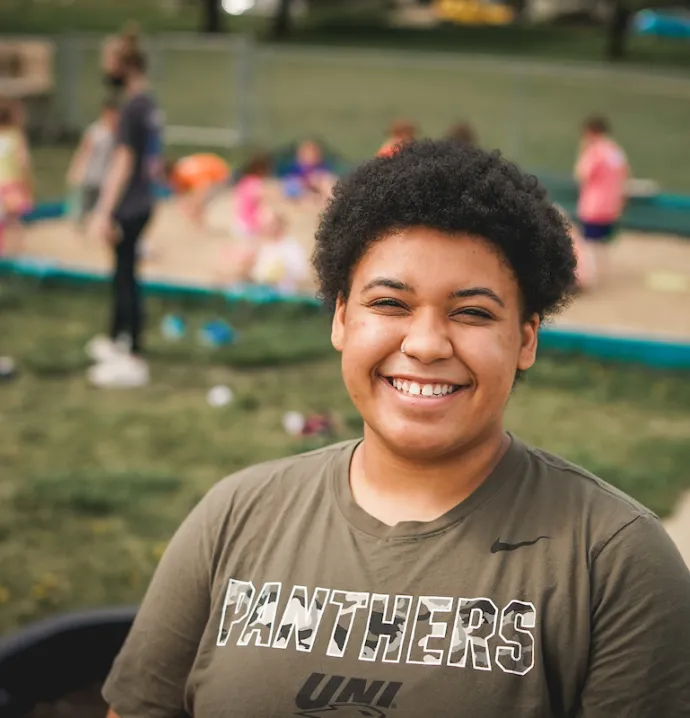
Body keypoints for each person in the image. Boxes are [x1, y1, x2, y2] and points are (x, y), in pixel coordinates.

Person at [101, 140, 690, 717]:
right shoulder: (235, 517)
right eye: (389, 303)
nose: (427, 344)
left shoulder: (614, 561)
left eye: (473, 312)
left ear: (527, 339)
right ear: (340, 318)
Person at [87, 49, 163, 389]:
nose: (106, 70)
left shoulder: (133, 107)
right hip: (143, 200)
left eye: (110, 63)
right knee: (123, 271)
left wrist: (104, 210)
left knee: (125, 275)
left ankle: (130, 353)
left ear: (127, 65)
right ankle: (117, 338)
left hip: (128, 205)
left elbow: (124, 160)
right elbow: (154, 161)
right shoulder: (149, 105)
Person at [574, 114, 629, 285]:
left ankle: (590, 276)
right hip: (611, 203)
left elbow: (582, 173)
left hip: (594, 204)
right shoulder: (615, 151)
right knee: (602, 241)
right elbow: (624, 174)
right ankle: (604, 271)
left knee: (589, 241)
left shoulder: (594, 151)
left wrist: (582, 152)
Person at [66, 99, 119, 229]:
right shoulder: (95, 131)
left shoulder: (118, 133)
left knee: (106, 206)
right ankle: (81, 227)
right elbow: (84, 151)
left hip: (107, 178)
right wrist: (76, 169)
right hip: (91, 175)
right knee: (84, 205)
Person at [0, 101, 33, 256]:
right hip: (12, 185)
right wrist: (28, 186)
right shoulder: (16, 136)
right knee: (14, 222)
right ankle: (13, 257)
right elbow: (23, 163)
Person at [168, 152, 231, 230]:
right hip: (215, 173)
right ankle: (198, 221)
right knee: (195, 203)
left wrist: (195, 204)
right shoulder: (183, 171)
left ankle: (199, 223)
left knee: (199, 203)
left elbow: (204, 187)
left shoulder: (186, 172)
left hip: (218, 176)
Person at [232, 150, 272, 239]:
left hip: (239, 223)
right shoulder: (256, 183)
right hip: (249, 225)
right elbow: (260, 205)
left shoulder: (243, 181)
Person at [101, 20, 141, 91]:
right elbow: (110, 67)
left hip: (128, 80)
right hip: (114, 79)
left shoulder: (136, 51)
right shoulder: (115, 46)